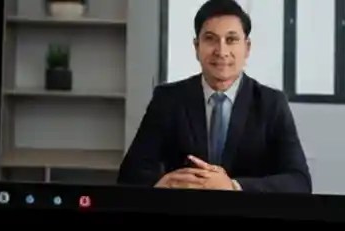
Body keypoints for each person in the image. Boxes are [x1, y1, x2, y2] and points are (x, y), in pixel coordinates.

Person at [116, 0, 311, 193]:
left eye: (231, 39)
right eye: (210, 39)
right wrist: (164, 182)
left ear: (247, 47)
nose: (221, 51)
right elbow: (130, 174)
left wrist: (233, 186)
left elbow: (299, 181)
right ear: (196, 46)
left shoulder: (271, 103)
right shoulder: (168, 99)